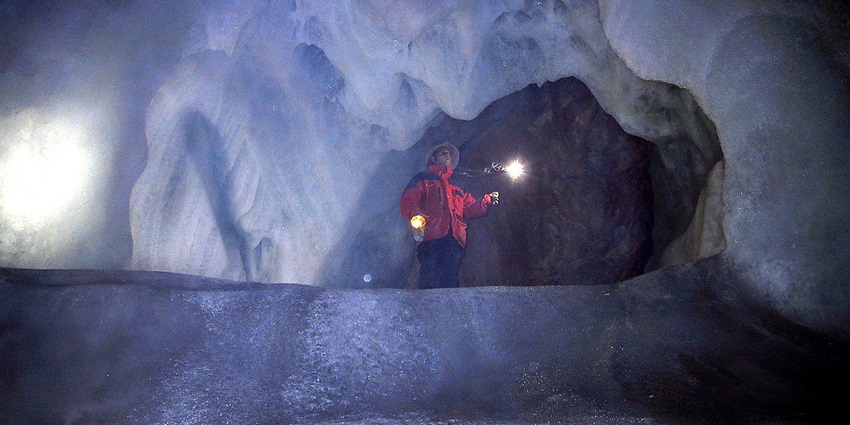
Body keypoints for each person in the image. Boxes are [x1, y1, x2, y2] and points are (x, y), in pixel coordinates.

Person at [399, 142, 497, 289]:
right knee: (429, 274)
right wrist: (416, 216)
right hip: (430, 236)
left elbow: (470, 209)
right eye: (442, 152)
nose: (447, 155)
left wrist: (486, 200)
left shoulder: (458, 185)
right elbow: (408, 200)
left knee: (449, 276)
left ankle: (448, 310)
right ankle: (426, 308)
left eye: (449, 154)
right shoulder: (423, 179)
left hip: (454, 238)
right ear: (432, 159)